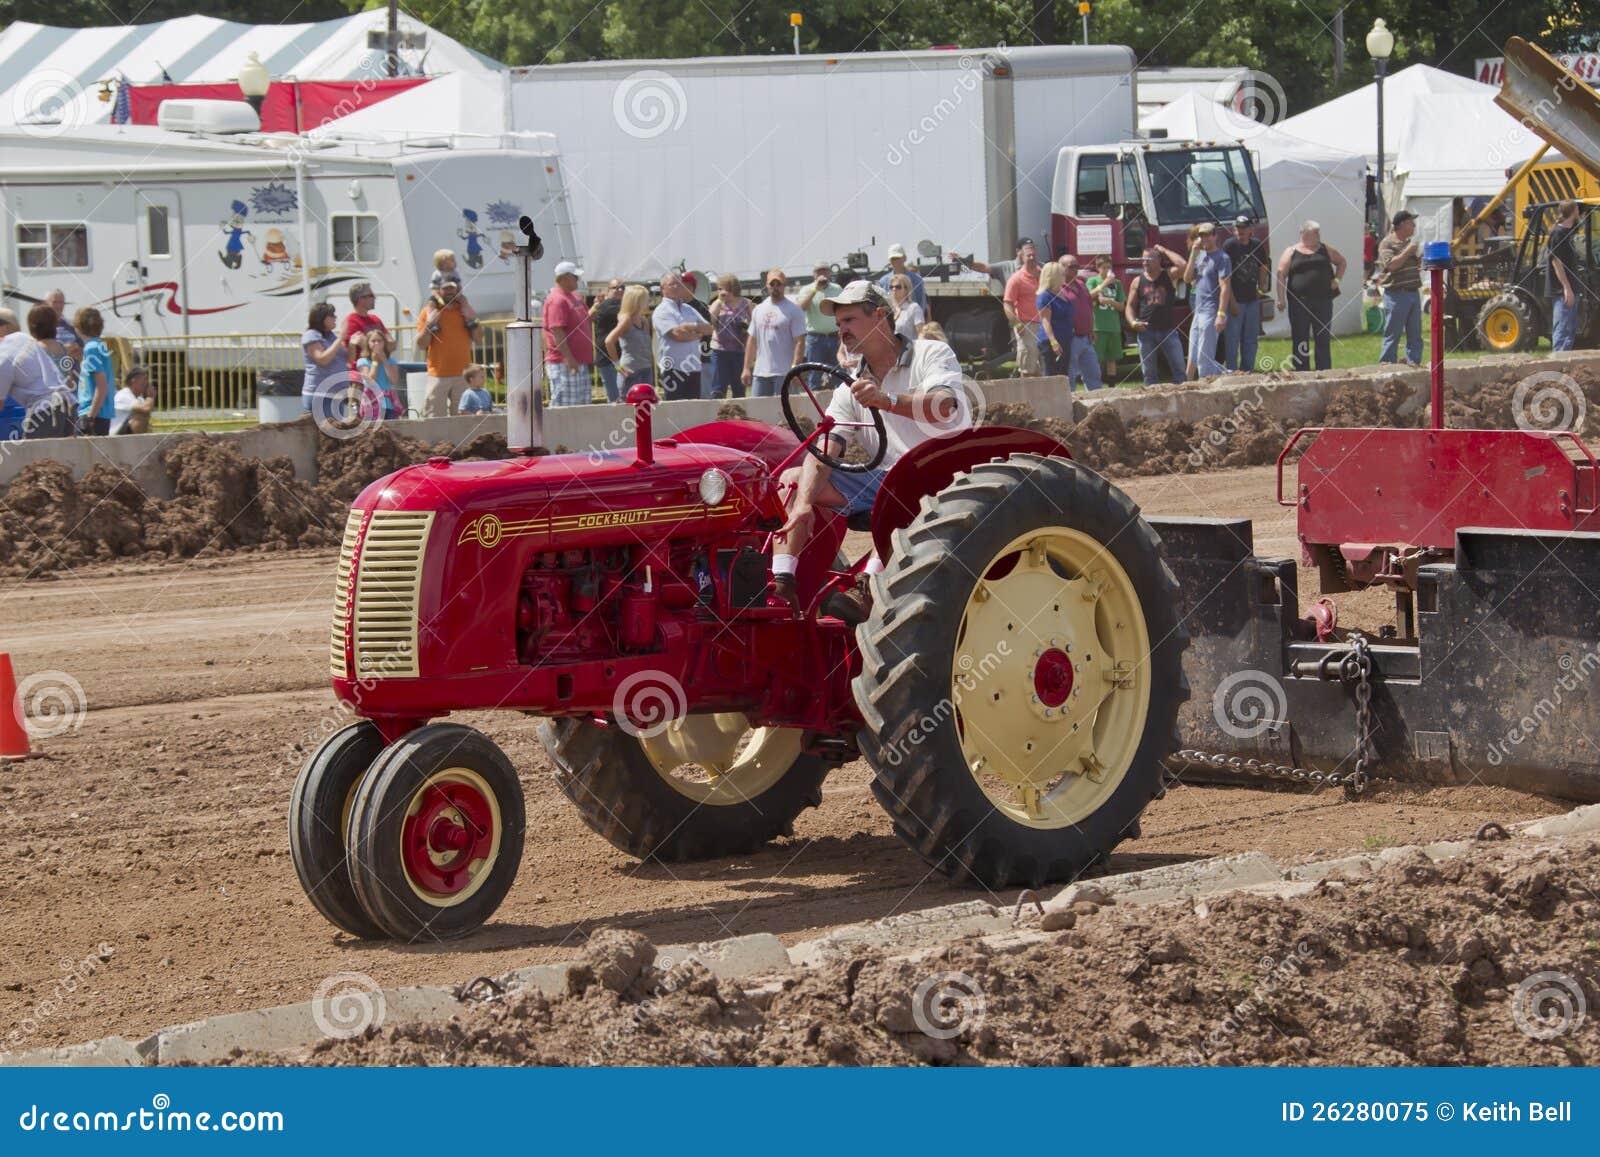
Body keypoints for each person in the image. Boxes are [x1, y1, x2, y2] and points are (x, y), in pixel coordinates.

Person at [771, 281, 968, 619]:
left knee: (899, 487)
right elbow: (827, 447)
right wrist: (803, 504)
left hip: (944, 476)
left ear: (879, 316)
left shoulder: (930, 354)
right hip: (885, 479)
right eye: (838, 325)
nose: (841, 331)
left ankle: (869, 586)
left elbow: (944, 405)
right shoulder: (850, 385)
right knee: (793, 478)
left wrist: (885, 400)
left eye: (849, 320)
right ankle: (784, 582)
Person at [1277, 221, 1346, 372]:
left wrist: (1337, 280)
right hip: (1299, 302)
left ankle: (1324, 371)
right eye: (1316, 233)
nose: (1319, 236)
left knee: (1322, 337)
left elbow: (1341, 262)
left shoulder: (1325, 249)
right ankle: (1302, 372)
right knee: (1300, 338)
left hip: (1323, 301)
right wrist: (1281, 299)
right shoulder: (1291, 251)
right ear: (1305, 234)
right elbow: (1281, 274)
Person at [0, 304, 77, 439]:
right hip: (67, 406)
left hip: (45, 411)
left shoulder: (4, 357)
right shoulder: (23, 339)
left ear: (4, 329)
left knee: (36, 458)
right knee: (64, 459)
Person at [1125, 246, 1189, 386]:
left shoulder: (1168, 275)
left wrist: (1165, 250)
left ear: (1159, 260)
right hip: (1145, 331)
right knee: (1149, 374)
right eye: (1143, 259)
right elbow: (1129, 306)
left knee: (1179, 370)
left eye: (1149, 259)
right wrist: (1133, 322)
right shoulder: (1137, 281)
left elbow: (1183, 265)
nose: (1145, 263)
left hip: (1168, 330)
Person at [415, 272, 476, 416]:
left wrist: (472, 320)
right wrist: (429, 326)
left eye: (452, 288)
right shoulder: (428, 312)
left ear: (458, 289)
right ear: (438, 290)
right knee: (434, 419)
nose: (450, 291)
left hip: (463, 375)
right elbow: (421, 344)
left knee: (463, 420)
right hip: (437, 375)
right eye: (445, 288)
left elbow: (479, 338)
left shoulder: (464, 310)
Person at [743, 268, 807, 397]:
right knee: (757, 412)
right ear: (767, 285)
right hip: (760, 373)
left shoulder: (794, 310)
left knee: (786, 412)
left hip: (784, 372)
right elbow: (752, 340)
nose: (775, 287)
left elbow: (800, 341)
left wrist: (795, 367)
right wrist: (746, 368)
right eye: (772, 284)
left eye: (779, 284)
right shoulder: (758, 309)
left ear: (784, 286)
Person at [652, 271, 711, 401]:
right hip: (673, 369)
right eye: (673, 284)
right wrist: (697, 333)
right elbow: (677, 335)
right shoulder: (662, 310)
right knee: (674, 409)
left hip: (693, 367)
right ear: (663, 289)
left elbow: (709, 329)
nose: (677, 286)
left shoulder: (688, 309)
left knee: (693, 409)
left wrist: (690, 327)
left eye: (679, 283)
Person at [1184, 223, 1232, 379]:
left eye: (1207, 235)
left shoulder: (1222, 258)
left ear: (1214, 236)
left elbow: (1225, 287)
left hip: (1211, 311)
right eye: (1201, 235)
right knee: (1192, 357)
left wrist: (1221, 313)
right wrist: (1193, 254)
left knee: (1204, 360)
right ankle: (1187, 388)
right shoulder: (1200, 256)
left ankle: (1211, 387)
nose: (1204, 238)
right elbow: (1187, 278)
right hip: (1198, 310)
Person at [544, 261, 594, 407]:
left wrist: (597, 306)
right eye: (575, 277)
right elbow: (557, 332)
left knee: (582, 406)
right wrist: (569, 359)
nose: (577, 280)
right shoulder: (557, 300)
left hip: (578, 362)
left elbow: (586, 318)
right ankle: (558, 431)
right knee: (566, 408)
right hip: (564, 363)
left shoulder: (575, 297)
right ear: (564, 278)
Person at [1377, 210, 1423, 366]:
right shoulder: (1387, 243)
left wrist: (1418, 257)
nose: (1414, 225)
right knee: (1393, 333)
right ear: (1402, 224)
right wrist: (1408, 250)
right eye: (1411, 222)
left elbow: (1417, 265)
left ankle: (1414, 363)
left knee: (1415, 334)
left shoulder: (1408, 243)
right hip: (1397, 294)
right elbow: (1391, 265)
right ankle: (1387, 365)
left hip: (1413, 292)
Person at [1222, 216, 1267, 372]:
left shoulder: (1257, 245)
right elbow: (1225, 277)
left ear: (1250, 230)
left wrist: (1261, 288)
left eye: (1243, 228)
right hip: (1236, 300)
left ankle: (1247, 369)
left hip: (1252, 300)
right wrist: (1232, 301)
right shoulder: (1229, 246)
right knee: (1232, 338)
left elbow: (1263, 266)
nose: (1240, 231)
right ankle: (1232, 370)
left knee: (1251, 338)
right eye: (1237, 228)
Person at [793, 262, 842, 388]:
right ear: (814, 274)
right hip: (815, 339)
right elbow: (800, 308)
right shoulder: (807, 290)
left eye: (825, 271)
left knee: (839, 374)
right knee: (814, 376)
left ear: (829, 273)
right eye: (819, 271)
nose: (822, 274)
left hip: (835, 337)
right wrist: (815, 289)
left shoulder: (837, 289)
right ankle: (813, 404)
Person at [303, 301, 353, 421]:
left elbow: (348, 358)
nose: (335, 318)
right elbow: (322, 359)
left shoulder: (331, 336)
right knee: (325, 436)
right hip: (320, 396)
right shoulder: (311, 335)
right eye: (332, 315)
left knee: (334, 435)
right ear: (322, 318)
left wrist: (352, 343)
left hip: (336, 395)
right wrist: (341, 338)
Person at [1002, 240, 1045, 377]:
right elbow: (1007, 304)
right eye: (1028, 256)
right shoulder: (1016, 279)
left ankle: (1042, 396)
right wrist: (1017, 323)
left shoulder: (1043, 274)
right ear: (1022, 257)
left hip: (1044, 324)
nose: (1032, 258)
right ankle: (1024, 395)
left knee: (1043, 366)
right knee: (1027, 366)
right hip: (1027, 325)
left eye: (1033, 255)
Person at [1058, 255, 1101, 390]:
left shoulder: (1082, 284)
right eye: (1072, 267)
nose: (1076, 269)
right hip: (1071, 338)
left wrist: (1091, 329)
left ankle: (1096, 407)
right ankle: (1070, 407)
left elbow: (1089, 306)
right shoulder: (1058, 288)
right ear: (1061, 268)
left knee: (1094, 373)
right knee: (1070, 376)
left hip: (1086, 338)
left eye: (1077, 266)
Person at [1547, 199, 1584, 353]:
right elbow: (1556, 262)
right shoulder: (1557, 233)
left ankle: (1565, 365)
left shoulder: (1570, 230)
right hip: (1561, 290)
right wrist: (1567, 288)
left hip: (1572, 287)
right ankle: (1557, 364)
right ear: (1572, 211)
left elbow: (1580, 222)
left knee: (1570, 330)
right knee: (1562, 329)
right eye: (1577, 208)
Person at [708, 274, 751, 399]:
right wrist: (719, 301)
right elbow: (709, 319)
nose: (720, 292)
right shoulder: (718, 303)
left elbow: (753, 326)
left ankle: (739, 416)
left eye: (723, 288)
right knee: (718, 389)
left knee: (738, 388)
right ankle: (718, 415)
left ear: (732, 289)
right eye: (719, 289)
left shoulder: (746, 304)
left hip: (739, 351)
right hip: (720, 351)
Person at [74, 307, 114, 436]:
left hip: (93, 414)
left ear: (79, 327)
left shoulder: (91, 349)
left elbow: (101, 386)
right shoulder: (100, 345)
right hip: (102, 413)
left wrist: (90, 418)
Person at [607, 284, 655, 392]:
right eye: (646, 299)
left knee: (647, 405)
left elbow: (647, 346)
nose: (649, 301)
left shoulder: (644, 320)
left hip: (646, 370)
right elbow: (609, 341)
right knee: (628, 406)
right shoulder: (626, 320)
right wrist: (618, 366)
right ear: (637, 301)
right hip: (631, 372)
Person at [1085, 254, 1125, 381]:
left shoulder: (1117, 283)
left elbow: (1122, 306)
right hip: (1098, 326)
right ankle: (1095, 383)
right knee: (1096, 358)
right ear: (1098, 268)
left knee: (1111, 358)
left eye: (1109, 267)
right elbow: (1088, 296)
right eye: (1104, 268)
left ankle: (1111, 384)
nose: (1107, 270)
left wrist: (1109, 301)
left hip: (1113, 327)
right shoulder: (1092, 281)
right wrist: (1104, 284)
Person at [1034, 261, 1075, 378]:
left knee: (1063, 376)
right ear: (1054, 277)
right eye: (1061, 274)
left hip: (1065, 340)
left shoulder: (1062, 293)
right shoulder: (1045, 296)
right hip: (1051, 343)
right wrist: (1053, 341)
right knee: (1051, 377)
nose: (1064, 276)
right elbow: (1045, 320)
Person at [590, 279, 624, 403]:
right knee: (616, 401)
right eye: (616, 287)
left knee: (620, 399)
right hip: (609, 360)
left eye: (622, 287)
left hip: (618, 359)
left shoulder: (614, 305)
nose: (620, 290)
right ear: (608, 291)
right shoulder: (609, 305)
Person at [357, 328, 402, 419]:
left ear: (384, 343)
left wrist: (385, 360)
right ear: (368, 343)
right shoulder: (362, 362)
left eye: (379, 341)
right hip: (371, 405)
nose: (376, 343)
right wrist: (375, 362)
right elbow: (369, 381)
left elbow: (394, 380)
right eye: (373, 341)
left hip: (388, 405)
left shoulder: (391, 361)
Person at [954, 238, 1028, 293]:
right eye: (1028, 249)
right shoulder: (1006, 266)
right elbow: (984, 267)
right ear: (1018, 251)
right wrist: (963, 261)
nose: (1031, 252)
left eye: (1033, 248)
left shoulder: (1038, 268)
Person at [877, 244, 928, 313]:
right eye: (892, 258)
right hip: (891, 320)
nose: (895, 261)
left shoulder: (917, 280)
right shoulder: (883, 281)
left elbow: (922, 305)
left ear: (905, 258)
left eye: (897, 258)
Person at [340, 282, 390, 354]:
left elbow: (392, 344)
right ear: (361, 299)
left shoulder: (375, 319)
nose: (375, 298)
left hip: (380, 363)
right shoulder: (351, 322)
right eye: (371, 295)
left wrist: (367, 344)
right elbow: (350, 351)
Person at [45, 289, 81, 382]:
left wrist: (78, 350)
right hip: (52, 380)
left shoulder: (72, 326)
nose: (58, 306)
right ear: (46, 303)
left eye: (61, 302)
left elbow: (83, 351)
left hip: (74, 379)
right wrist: (64, 349)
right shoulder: (42, 327)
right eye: (54, 302)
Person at [111, 364, 155, 435]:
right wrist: (150, 396)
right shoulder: (124, 395)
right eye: (144, 378)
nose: (147, 382)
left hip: (126, 433)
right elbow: (146, 408)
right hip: (116, 436)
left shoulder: (139, 399)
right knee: (141, 415)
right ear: (133, 380)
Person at [889, 273, 925, 343]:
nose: (894, 289)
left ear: (906, 289)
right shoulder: (888, 308)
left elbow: (921, 333)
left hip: (909, 351)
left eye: (898, 287)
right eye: (891, 287)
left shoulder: (914, 308)